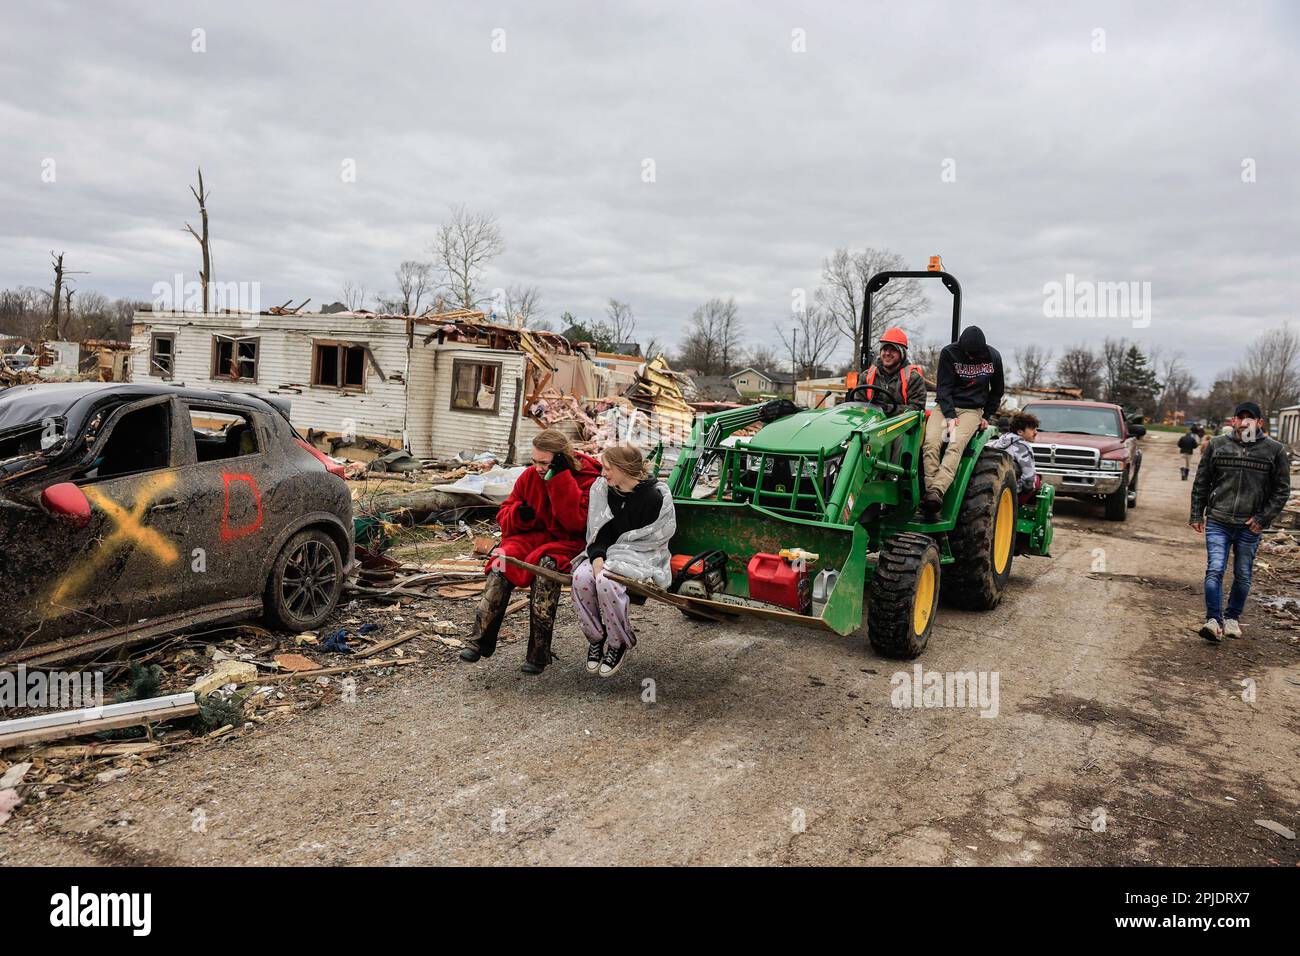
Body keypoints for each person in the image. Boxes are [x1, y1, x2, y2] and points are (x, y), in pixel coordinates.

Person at [460, 429, 602, 673]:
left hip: (567, 542)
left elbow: (576, 523)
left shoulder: (588, 478)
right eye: (534, 461)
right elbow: (504, 514)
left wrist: (560, 480)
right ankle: (478, 640)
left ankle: (538, 653)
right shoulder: (528, 476)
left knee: (547, 568)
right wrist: (519, 515)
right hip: (530, 537)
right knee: (501, 563)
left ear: (560, 460)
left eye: (544, 463)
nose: (537, 467)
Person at [570, 445, 676, 677]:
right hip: (608, 551)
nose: (602, 473)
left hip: (642, 554)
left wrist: (610, 561)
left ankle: (618, 642)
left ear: (624, 469)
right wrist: (598, 556)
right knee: (581, 577)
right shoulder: (605, 491)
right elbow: (600, 530)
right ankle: (596, 637)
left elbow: (652, 539)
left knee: (607, 581)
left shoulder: (653, 497)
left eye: (607, 468)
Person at [1189, 401, 1291, 643]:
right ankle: (1214, 621)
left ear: (1259, 423)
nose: (1244, 422)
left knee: (1243, 574)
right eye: (1240, 417)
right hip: (1219, 521)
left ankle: (1232, 617)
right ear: (1233, 420)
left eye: (1250, 418)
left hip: (1249, 526)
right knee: (1215, 569)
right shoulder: (1217, 445)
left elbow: (1282, 490)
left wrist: (1262, 518)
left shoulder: (1274, 450)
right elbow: (1202, 482)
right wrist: (1196, 513)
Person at [921, 325, 1005, 515]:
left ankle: (937, 490)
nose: (973, 358)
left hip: (971, 410)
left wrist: (986, 415)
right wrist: (949, 415)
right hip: (945, 406)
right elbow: (943, 388)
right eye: (969, 354)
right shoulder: (949, 353)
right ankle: (931, 494)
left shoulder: (993, 357)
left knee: (955, 444)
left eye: (977, 355)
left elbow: (997, 390)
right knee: (931, 442)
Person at [851, 328, 927, 417]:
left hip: (902, 427)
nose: (887, 353)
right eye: (885, 349)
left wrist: (885, 408)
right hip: (870, 424)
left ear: (902, 354)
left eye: (893, 350)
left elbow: (917, 409)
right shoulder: (867, 376)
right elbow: (858, 405)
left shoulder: (913, 378)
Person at [992, 411, 1039, 495]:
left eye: (1036, 429)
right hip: (1009, 489)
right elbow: (1029, 477)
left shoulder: (999, 441)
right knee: (1037, 480)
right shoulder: (1022, 446)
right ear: (1020, 432)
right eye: (1032, 429)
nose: (1036, 432)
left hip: (994, 481)